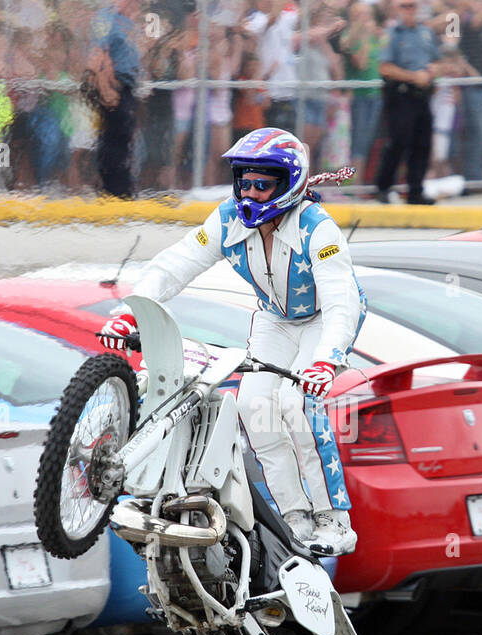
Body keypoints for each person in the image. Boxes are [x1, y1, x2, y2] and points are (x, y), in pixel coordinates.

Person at [96, 128, 365, 555]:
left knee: (297, 405)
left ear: (289, 184)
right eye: (246, 183)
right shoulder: (226, 219)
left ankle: (335, 520)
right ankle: (295, 514)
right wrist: (133, 309)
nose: (252, 194)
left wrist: (326, 360)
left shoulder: (320, 230)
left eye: (264, 185)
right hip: (275, 320)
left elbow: (342, 304)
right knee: (253, 405)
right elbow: (176, 264)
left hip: (322, 321)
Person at [374, 0, 440, 205]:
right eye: (405, 6)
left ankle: (415, 190)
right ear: (396, 9)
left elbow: (437, 60)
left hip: (422, 94)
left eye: (412, 6)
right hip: (401, 94)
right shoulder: (391, 34)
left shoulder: (426, 33)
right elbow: (385, 68)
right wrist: (413, 76)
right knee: (398, 141)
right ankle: (384, 187)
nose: (409, 10)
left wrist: (433, 70)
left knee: (422, 143)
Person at [87, 0, 140, 198]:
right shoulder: (105, 19)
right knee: (112, 142)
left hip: (126, 88)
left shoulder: (128, 22)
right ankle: (112, 191)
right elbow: (97, 55)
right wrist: (105, 89)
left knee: (123, 140)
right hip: (113, 87)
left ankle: (122, 189)